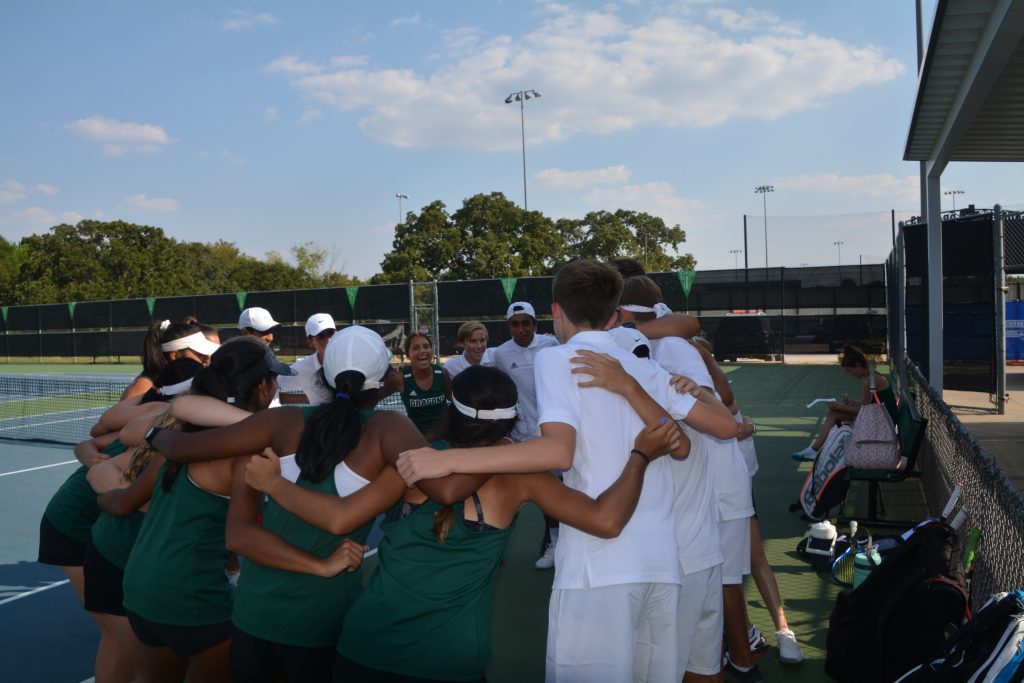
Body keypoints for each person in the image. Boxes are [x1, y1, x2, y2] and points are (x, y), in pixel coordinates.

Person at [397, 260, 739, 682]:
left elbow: (559, 452)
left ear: (556, 311)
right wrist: (698, 390)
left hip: (598, 571)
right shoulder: (644, 367)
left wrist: (448, 459)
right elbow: (726, 428)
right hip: (661, 566)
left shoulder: (557, 359)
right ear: (614, 314)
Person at [241, 364, 681, 682]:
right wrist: (640, 455)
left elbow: (338, 518)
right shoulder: (523, 476)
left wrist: (275, 487)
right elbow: (606, 520)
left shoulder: (411, 462)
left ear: (451, 408)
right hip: (447, 659)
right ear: (510, 417)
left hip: (365, 648)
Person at [148, 325, 484, 682]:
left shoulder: (283, 421)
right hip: (320, 622)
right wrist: (505, 447)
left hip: (252, 618)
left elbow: (183, 450)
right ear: (382, 376)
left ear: (324, 374)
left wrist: (153, 432)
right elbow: (446, 492)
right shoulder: (388, 429)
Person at [118, 337, 293, 683]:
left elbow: (150, 424)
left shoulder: (183, 431)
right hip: (188, 596)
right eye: (273, 380)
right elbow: (242, 536)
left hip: (140, 587)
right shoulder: (244, 450)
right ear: (262, 385)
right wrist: (319, 565)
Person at [491, 301, 561, 568]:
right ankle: (552, 544)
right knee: (520, 494)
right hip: (523, 435)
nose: (520, 329)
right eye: (514, 324)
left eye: (525, 323)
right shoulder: (500, 354)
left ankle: (560, 543)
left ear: (535, 324)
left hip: (555, 432)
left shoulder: (551, 346)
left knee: (558, 493)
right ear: (509, 326)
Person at [791, 344, 897, 461]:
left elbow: (863, 411)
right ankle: (814, 450)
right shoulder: (872, 376)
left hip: (883, 424)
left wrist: (839, 407)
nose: (850, 375)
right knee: (834, 413)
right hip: (882, 418)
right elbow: (868, 406)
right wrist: (852, 403)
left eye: (849, 371)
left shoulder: (870, 381)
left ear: (857, 365)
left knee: (834, 413)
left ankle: (814, 450)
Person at [277, 312, 337, 405]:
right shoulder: (302, 368)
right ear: (310, 342)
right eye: (321, 337)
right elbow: (276, 382)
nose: (328, 340)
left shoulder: (352, 361)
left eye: (331, 334)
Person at [400, 332, 451, 436]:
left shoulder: (442, 373)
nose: (422, 351)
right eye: (415, 348)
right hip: (418, 438)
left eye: (426, 346)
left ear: (431, 351)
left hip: (444, 436)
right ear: (408, 355)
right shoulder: (400, 377)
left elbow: (452, 398)